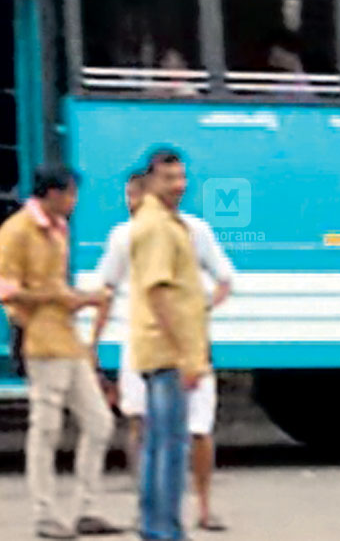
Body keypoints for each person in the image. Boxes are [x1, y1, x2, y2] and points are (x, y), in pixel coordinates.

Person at [93, 171, 234, 532]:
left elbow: (223, 279)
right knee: (160, 438)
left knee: (181, 433)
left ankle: (189, 510)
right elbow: (122, 290)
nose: (131, 201)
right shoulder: (139, 232)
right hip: (167, 348)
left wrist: (198, 313)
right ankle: (160, 522)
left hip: (165, 344)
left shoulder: (189, 230)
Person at [0, 164, 122, 539]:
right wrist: (58, 298)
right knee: (45, 430)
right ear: (52, 194)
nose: (74, 202)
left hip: (66, 339)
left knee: (99, 422)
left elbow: (53, 289)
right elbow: (6, 290)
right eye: (70, 194)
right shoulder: (16, 232)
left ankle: (87, 508)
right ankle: (45, 514)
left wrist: (75, 301)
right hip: (41, 342)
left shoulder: (58, 230)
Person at [131, 149, 210, 541]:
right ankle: (165, 530)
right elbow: (159, 292)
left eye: (181, 177)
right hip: (167, 353)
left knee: (157, 443)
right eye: (168, 178)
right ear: (150, 182)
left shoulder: (160, 222)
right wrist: (184, 353)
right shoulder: (158, 227)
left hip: (159, 349)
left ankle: (154, 525)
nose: (178, 185)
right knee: (170, 448)